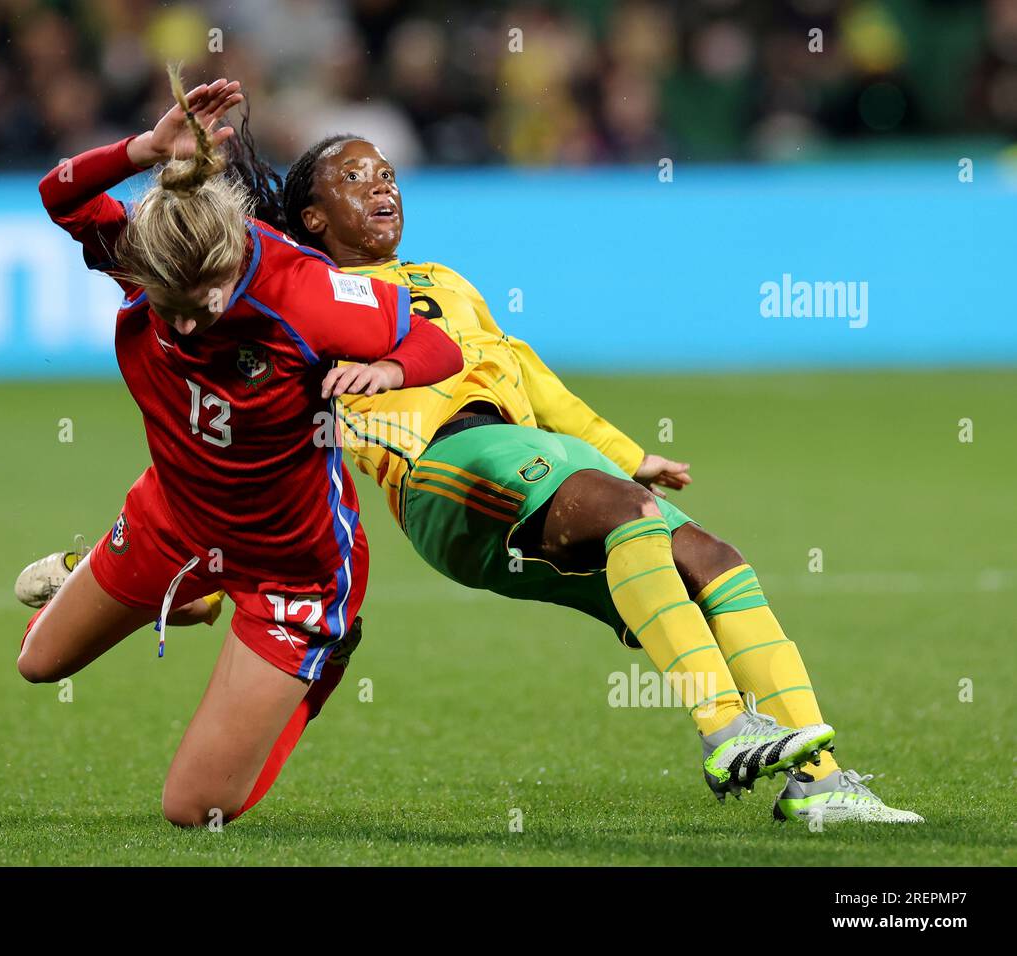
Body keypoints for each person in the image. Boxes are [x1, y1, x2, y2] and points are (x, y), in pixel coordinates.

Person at [276, 134, 921, 824]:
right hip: (440, 466)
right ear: (314, 217)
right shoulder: (307, 295)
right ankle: (725, 726)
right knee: (629, 515)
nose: (383, 187)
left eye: (389, 174)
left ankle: (819, 783)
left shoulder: (446, 282)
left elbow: (524, 371)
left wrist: (626, 453)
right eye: (355, 177)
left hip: (525, 458)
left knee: (716, 563)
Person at [14, 75, 462, 829]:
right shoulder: (145, 253)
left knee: (195, 810)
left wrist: (387, 369)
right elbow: (58, 193)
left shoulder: (306, 292)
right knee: (38, 663)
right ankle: (188, 594)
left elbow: (434, 342)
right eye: (171, 309)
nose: (187, 328)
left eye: (207, 304)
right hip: (174, 521)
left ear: (237, 259)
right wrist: (144, 150)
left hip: (294, 568)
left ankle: (327, 649)